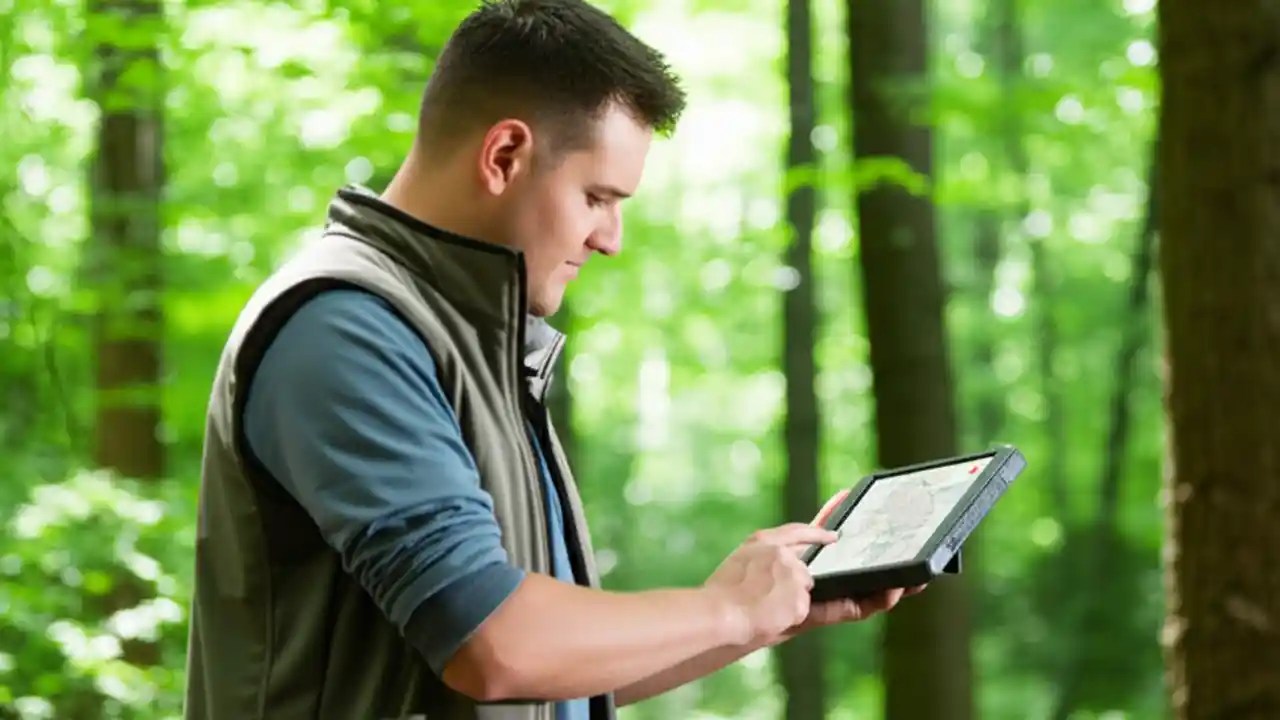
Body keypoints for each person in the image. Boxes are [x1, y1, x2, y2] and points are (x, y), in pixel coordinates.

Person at [183, 1, 919, 718]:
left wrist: (768, 615)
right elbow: (494, 647)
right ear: (504, 154)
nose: (611, 237)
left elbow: (545, 679)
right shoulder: (344, 328)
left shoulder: (470, 343)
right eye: (598, 196)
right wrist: (724, 609)